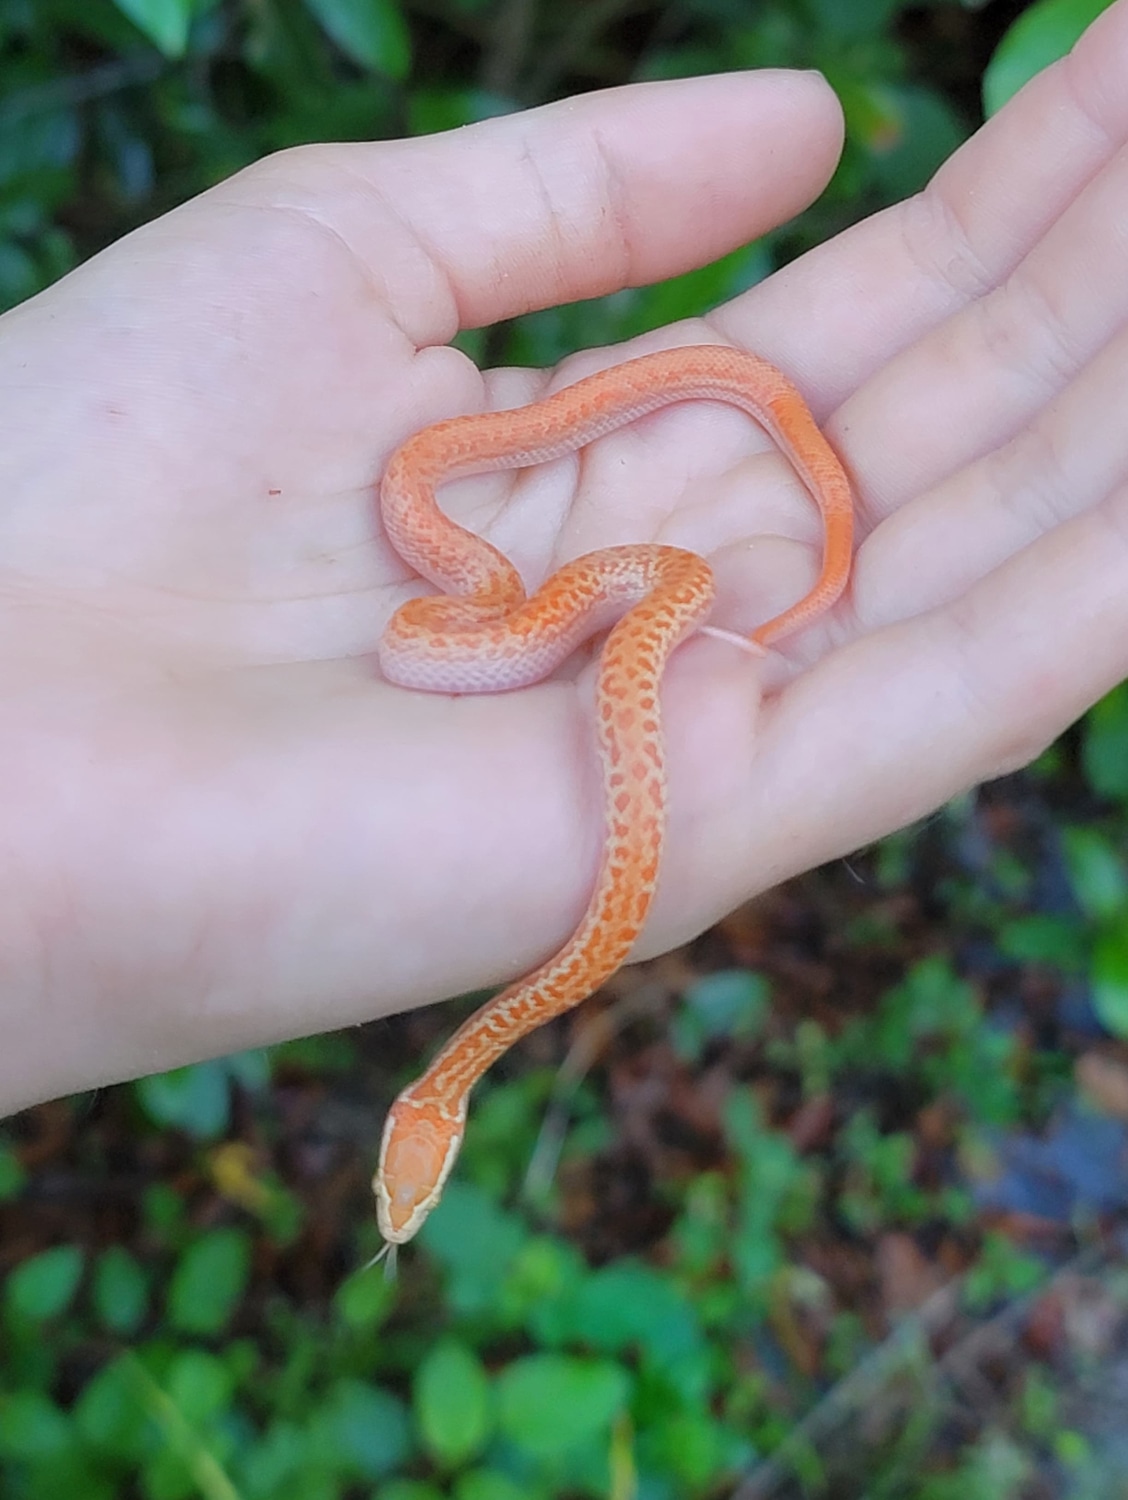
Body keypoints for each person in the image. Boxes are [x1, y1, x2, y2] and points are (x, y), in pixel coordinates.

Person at [2, 3, 1127, 1118]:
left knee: (583, 573)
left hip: (552, 593)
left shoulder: (498, 581)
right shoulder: (454, 573)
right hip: (506, 597)